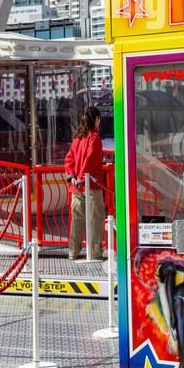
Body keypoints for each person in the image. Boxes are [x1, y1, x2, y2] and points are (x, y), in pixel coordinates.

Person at [64, 107, 105, 261]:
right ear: (96, 120)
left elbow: (69, 159)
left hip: (76, 187)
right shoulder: (94, 139)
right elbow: (92, 160)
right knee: (95, 219)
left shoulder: (77, 139)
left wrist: (73, 177)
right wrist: (82, 177)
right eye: (99, 119)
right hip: (91, 185)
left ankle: (72, 251)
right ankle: (95, 252)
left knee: (77, 219)